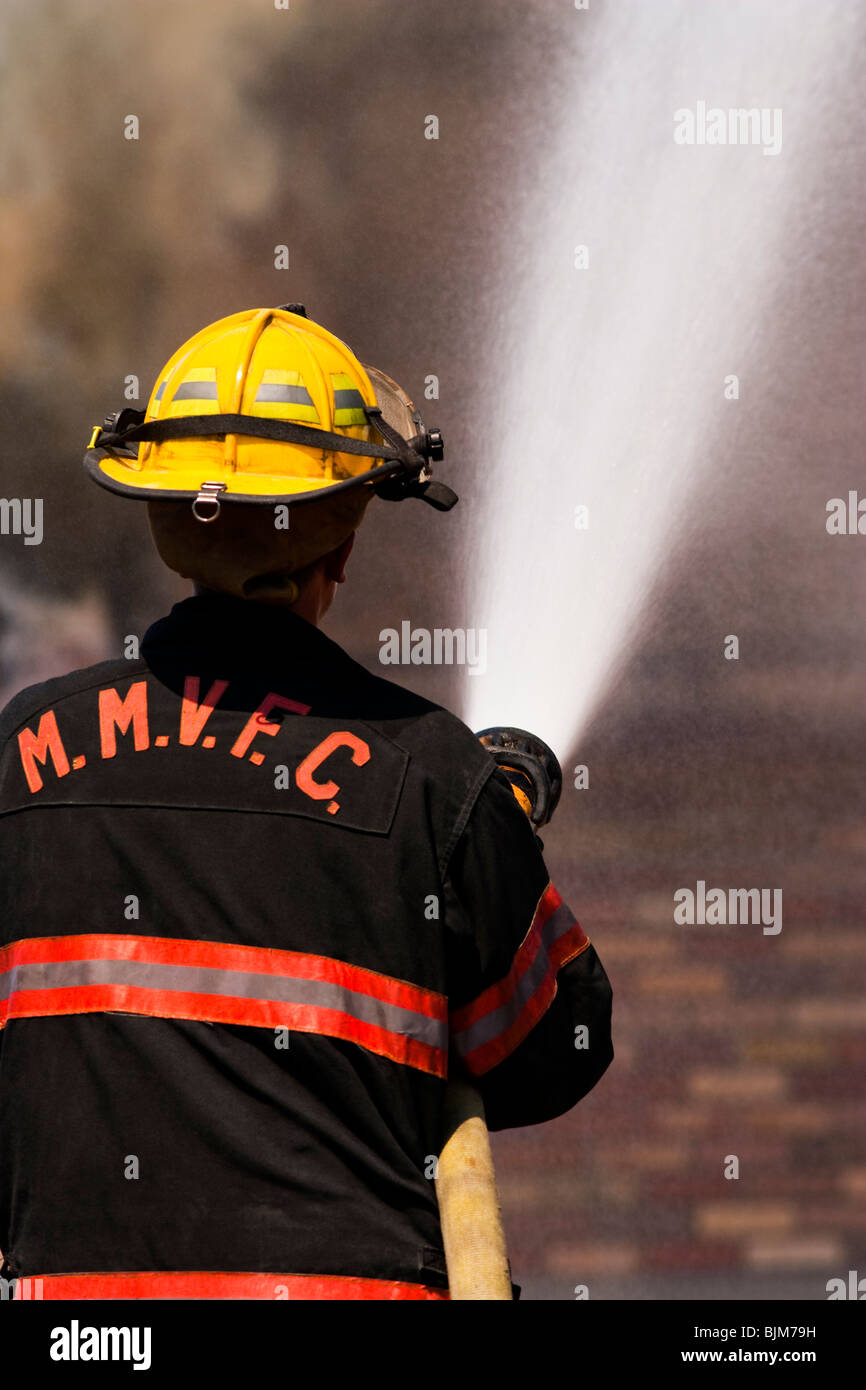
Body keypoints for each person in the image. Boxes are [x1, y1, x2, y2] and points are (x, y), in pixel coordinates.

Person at [0, 306, 613, 1300]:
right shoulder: (429, 779)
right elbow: (556, 1049)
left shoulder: (21, 756)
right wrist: (487, 837)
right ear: (344, 536)